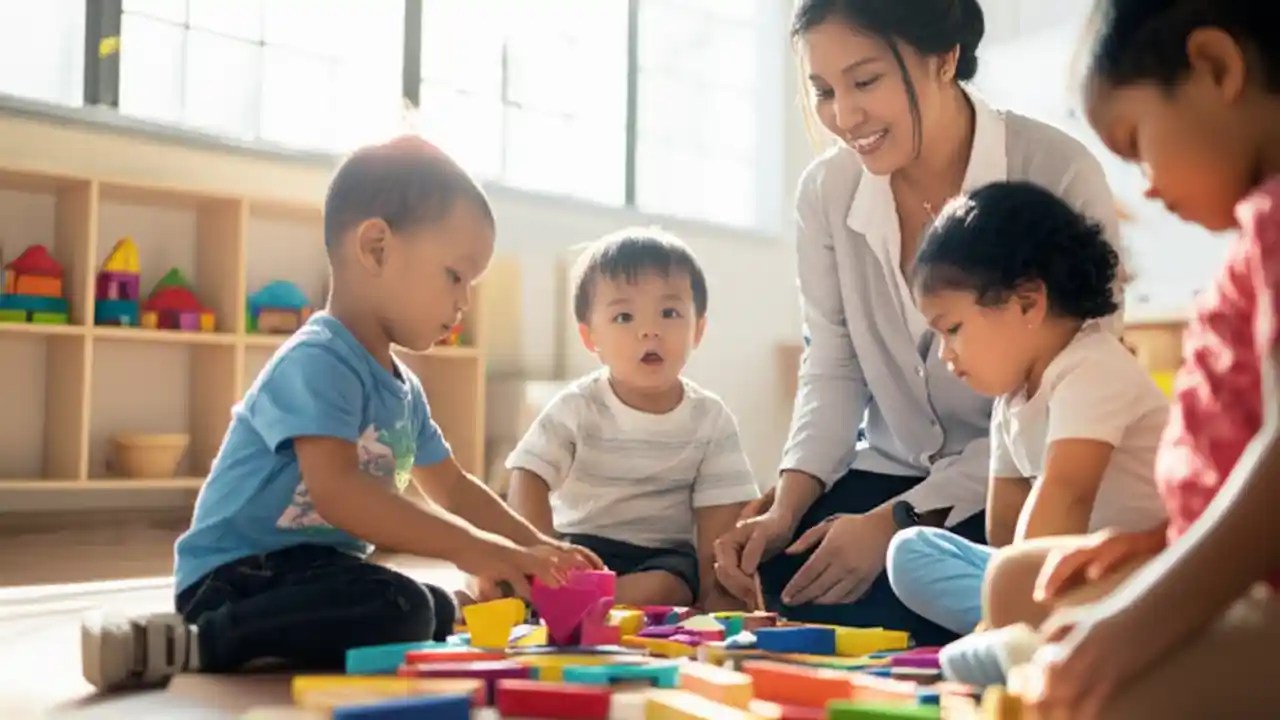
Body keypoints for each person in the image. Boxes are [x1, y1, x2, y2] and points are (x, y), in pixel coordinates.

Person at [80, 136, 600, 691]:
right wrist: (476, 548)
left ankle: (419, 612)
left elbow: (453, 487)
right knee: (398, 605)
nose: (463, 301)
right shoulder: (319, 359)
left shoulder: (403, 390)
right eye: (455, 275)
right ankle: (191, 641)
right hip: (236, 578)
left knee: (422, 604)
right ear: (376, 248)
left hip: (312, 572)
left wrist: (534, 548)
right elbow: (339, 493)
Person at [712, 0, 1126, 645]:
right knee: (785, 575)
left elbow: (1068, 391)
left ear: (943, 59)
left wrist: (897, 519)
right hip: (892, 459)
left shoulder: (1056, 172)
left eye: (866, 81)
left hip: (1021, 473)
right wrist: (787, 504)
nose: (844, 117)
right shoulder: (826, 192)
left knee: (916, 592)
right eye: (823, 90)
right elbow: (833, 362)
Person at [973, 1, 1280, 716]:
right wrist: (1159, 540)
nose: (1144, 183)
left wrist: (1136, 624)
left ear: (1214, 68)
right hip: (1247, 573)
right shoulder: (1252, 241)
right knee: (1018, 583)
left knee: (1102, 693)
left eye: (1137, 142)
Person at [883, 181, 1168, 635]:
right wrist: (1009, 592)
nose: (944, 354)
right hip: (1059, 576)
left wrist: (1013, 595)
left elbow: (1067, 494)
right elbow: (1004, 533)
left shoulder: (1091, 367)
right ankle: (1019, 636)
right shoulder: (1012, 399)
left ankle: (1013, 637)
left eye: (952, 329)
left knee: (1010, 586)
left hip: (1136, 576)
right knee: (911, 551)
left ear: (1027, 303)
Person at [506, 229, 760, 611]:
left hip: (659, 559)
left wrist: (717, 594)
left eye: (670, 313)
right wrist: (540, 552)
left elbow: (720, 516)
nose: (649, 330)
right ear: (591, 338)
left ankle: (567, 606)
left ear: (698, 330)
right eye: (624, 316)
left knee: (667, 588)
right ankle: (552, 598)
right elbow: (529, 474)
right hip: (580, 546)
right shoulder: (577, 406)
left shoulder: (710, 419)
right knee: (505, 572)